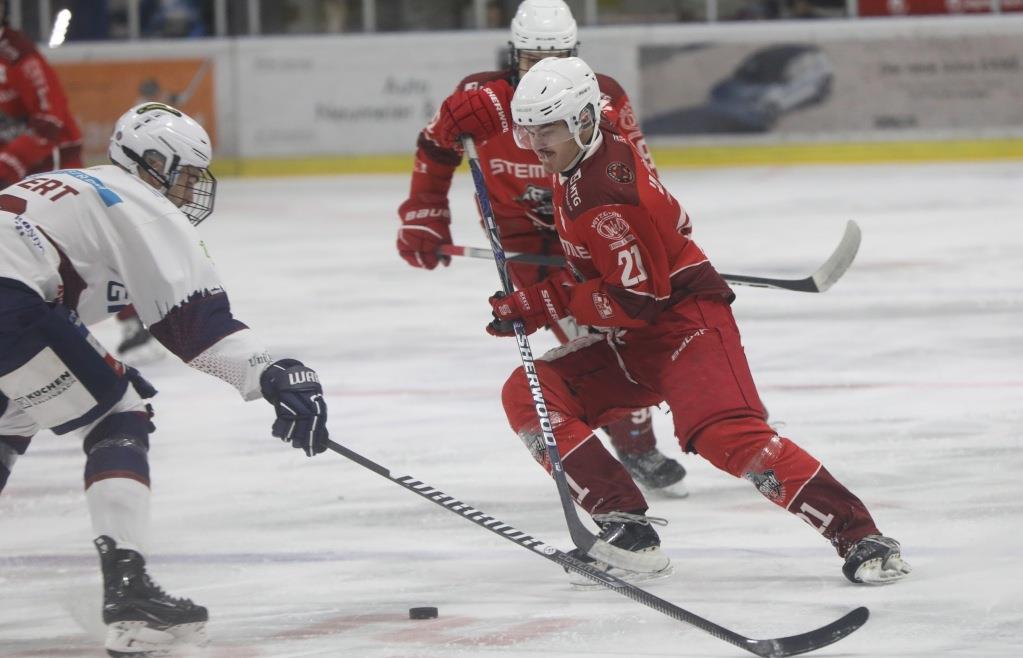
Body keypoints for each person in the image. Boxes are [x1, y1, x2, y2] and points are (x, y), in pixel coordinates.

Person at [458, 56, 911, 586]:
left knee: (728, 438)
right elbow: (650, 249)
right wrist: (550, 298)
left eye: (548, 129)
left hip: (684, 329)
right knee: (532, 395)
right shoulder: (585, 159)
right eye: (528, 130)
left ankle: (861, 537)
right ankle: (626, 525)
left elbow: (636, 299)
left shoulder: (604, 197)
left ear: (583, 119)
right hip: (636, 333)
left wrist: (547, 302)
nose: (536, 145)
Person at [0, 102, 330, 656]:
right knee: (119, 414)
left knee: (13, 420)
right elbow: (195, 324)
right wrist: (271, 375)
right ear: (151, 164)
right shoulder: (139, 201)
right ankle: (129, 597)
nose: (189, 191)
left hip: (16, 296)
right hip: (11, 299)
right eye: (186, 175)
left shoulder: (63, 184)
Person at [395, 0, 687, 496]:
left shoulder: (602, 95)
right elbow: (437, 147)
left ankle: (633, 439)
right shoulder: (480, 99)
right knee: (587, 329)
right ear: (513, 54)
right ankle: (631, 442)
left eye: (558, 57)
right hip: (520, 235)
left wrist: (649, 231)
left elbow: (638, 168)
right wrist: (425, 212)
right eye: (534, 60)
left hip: (588, 223)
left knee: (623, 321)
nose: (546, 70)